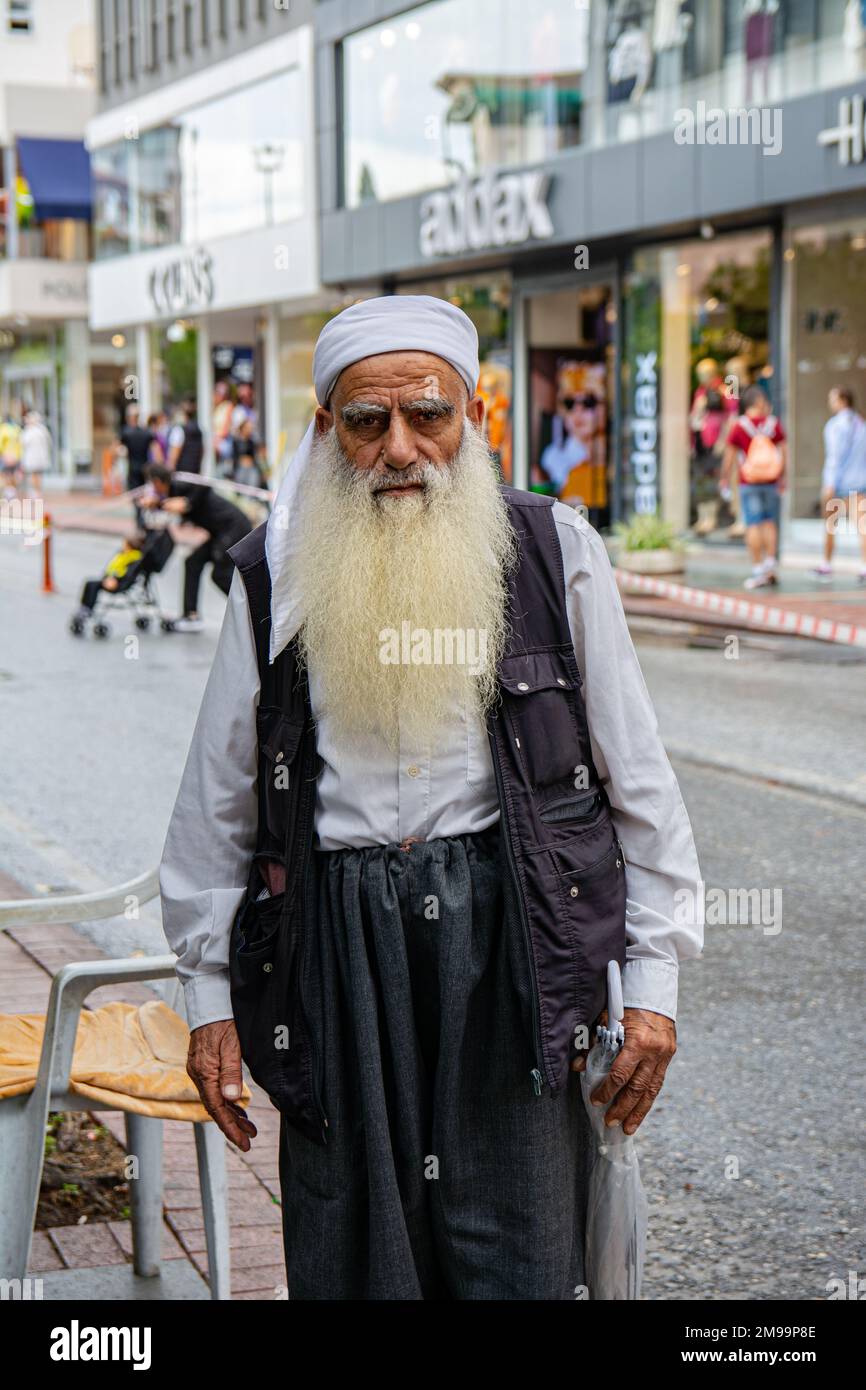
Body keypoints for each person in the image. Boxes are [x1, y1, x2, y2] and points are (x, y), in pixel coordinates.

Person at [158, 295, 703, 1301]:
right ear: (327, 430)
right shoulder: (271, 579)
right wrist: (206, 999)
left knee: (517, 1247)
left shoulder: (552, 549)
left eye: (427, 414)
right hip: (332, 947)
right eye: (366, 421)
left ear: (474, 415)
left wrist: (653, 989)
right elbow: (217, 802)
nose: (399, 447)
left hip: (510, 947)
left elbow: (640, 784)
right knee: (351, 1246)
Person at [143, 462, 251, 631]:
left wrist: (187, 503)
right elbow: (172, 504)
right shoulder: (172, 493)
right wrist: (156, 505)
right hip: (219, 532)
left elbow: (204, 487)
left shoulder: (178, 484)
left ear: (157, 481)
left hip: (233, 527)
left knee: (220, 574)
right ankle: (191, 616)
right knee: (193, 561)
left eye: (151, 483)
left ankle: (251, 610)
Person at [721, 384, 787, 589]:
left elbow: (730, 456)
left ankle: (758, 568)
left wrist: (724, 478)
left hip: (748, 482)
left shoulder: (739, 426)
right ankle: (770, 566)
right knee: (769, 523)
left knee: (753, 523)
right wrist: (783, 477)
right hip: (771, 481)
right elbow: (784, 452)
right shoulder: (773, 424)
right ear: (759, 401)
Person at [814, 386, 866, 584]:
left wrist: (829, 484)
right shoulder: (861, 423)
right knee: (862, 525)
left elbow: (834, 457)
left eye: (832, 398)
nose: (830, 402)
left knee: (830, 525)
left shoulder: (835, 425)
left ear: (843, 400)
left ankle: (826, 564)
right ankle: (864, 566)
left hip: (838, 483)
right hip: (860, 482)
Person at [73, 532, 144, 619]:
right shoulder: (123, 554)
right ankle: (84, 607)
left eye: (125, 544)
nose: (123, 546)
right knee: (89, 583)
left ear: (130, 546)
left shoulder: (134, 557)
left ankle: (88, 609)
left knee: (93, 586)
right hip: (110, 579)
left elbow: (127, 573)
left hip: (118, 582)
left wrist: (114, 579)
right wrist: (107, 576)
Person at [117, 405, 161, 495]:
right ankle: (140, 508)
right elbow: (156, 450)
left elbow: (116, 448)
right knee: (143, 491)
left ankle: (138, 508)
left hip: (132, 468)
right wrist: (159, 465)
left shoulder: (125, 432)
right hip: (144, 467)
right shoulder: (147, 432)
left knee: (134, 492)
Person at [167, 398, 204, 474]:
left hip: (181, 476)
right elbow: (202, 452)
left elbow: (173, 457)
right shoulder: (198, 430)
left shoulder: (178, 430)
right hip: (195, 474)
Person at [231, 416, 266, 489]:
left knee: (253, 475)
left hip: (251, 468)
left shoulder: (251, 442)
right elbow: (234, 457)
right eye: (248, 428)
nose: (250, 430)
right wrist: (241, 460)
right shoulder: (236, 442)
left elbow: (254, 458)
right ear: (243, 428)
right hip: (240, 469)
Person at [0, 409, 22, 502]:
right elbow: (20, 443)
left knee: (6, 474)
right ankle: (12, 492)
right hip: (16, 455)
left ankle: (8, 493)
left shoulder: (3, 429)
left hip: (6, 455)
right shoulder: (17, 429)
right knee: (13, 474)